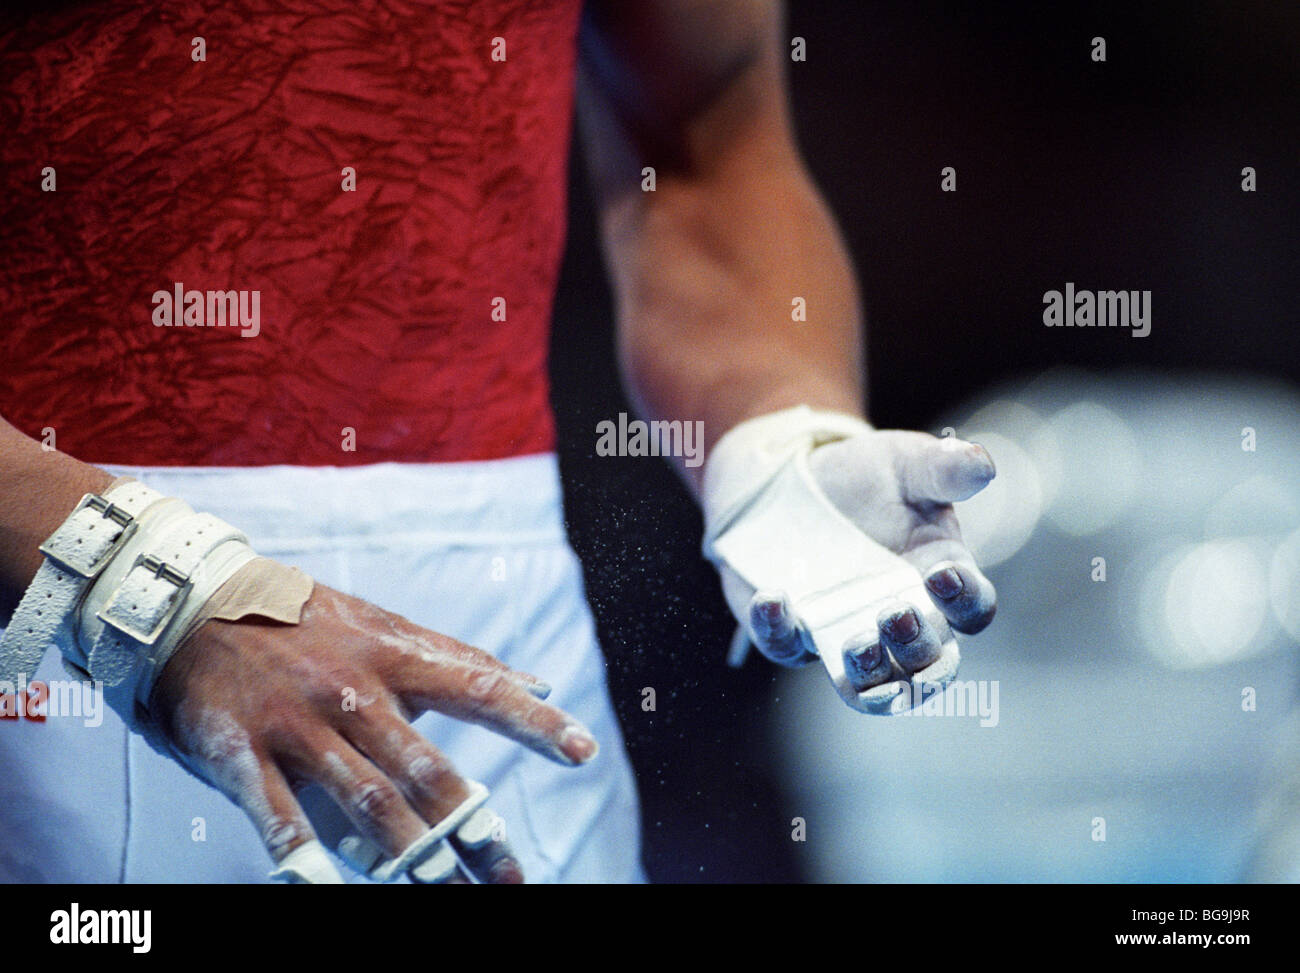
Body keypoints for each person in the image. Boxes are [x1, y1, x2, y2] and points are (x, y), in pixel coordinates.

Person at [0, 0, 997, 883]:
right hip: (47, 641)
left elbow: (706, 139)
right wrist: (133, 581)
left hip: (498, 674)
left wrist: (777, 440)